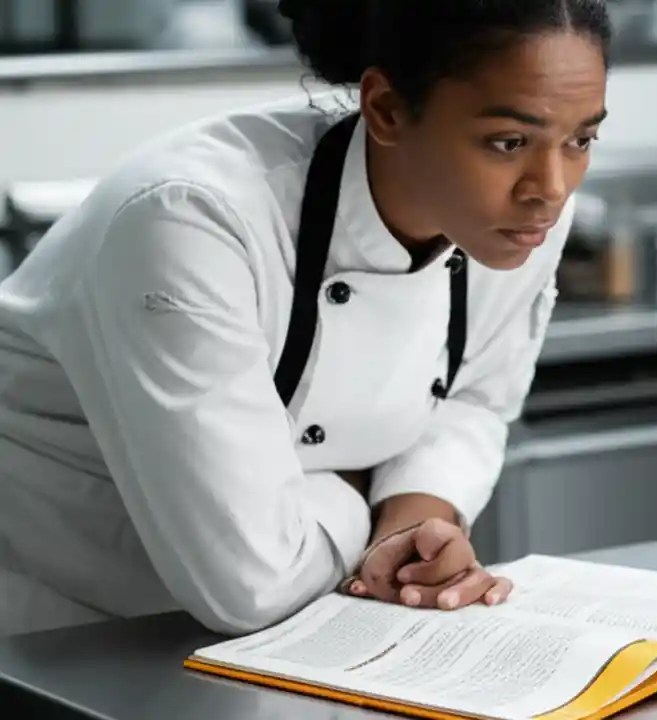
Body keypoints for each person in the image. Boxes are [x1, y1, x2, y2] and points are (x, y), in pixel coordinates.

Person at [0, 0, 610, 636]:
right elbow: (251, 583)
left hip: (284, 634)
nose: (552, 185)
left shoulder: (520, 214)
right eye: (507, 142)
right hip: (56, 630)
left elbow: (474, 397)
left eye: (581, 139)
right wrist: (354, 492)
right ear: (386, 110)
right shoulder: (191, 219)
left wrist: (409, 525)